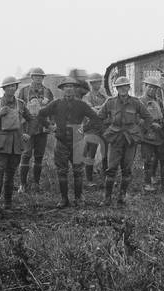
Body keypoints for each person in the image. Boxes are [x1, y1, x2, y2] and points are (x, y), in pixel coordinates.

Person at [37, 77, 102, 208]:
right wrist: (50, 126)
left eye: (72, 87)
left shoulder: (81, 105)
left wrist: (84, 128)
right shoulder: (56, 104)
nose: (69, 89)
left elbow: (96, 118)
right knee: (62, 171)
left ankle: (78, 198)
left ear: (75, 89)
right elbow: (40, 114)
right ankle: (64, 199)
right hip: (61, 142)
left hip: (77, 142)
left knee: (78, 171)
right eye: (66, 87)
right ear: (62, 89)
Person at [99, 75, 152, 205]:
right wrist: (105, 132)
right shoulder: (110, 102)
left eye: (125, 86)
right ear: (116, 89)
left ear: (129, 87)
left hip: (130, 140)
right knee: (111, 169)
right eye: (119, 87)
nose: (122, 89)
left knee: (127, 169)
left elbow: (148, 118)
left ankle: (122, 197)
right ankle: (107, 198)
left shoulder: (136, 102)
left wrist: (141, 132)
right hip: (115, 139)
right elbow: (99, 117)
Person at [0, 76, 32, 215]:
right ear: (3, 88)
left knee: (11, 174)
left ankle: (8, 204)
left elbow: (31, 119)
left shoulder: (21, 104)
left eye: (14, 86)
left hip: (15, 144)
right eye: (9, 86)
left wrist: (28, 133)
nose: (12, 88)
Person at [18, 67, 55, 192]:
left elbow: (53, 109)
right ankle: (23, 184)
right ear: (31, 77)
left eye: (40, 76)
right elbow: (18, 110)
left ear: (43, 78)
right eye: (36, 76)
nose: (38, 78)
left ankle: (36, 183)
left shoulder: (48, 92)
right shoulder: (23, 91)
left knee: (39, 156)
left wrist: (52, 124)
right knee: (26, 154)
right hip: (27, 128)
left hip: (42, 128)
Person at [139, 76, 164, 191]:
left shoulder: (159, 101)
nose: (152, 90)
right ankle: (147, 183)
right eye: (150, 87)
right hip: (147, 134)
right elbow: (137, 119)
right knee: (148, 159)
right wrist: (151, 124)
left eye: (154, 88)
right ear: (145, 87)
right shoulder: (140, 101)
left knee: (163, 158)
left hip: (160, 134)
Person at [82, 73, 108, 186]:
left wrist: (98, 109)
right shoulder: (87, 96)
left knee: (106, 152)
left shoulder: (104, 96)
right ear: (91, 83)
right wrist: (101, 109)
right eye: (95, 82)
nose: (97, 84)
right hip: (91, 128)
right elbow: (92, 112)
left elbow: (109, 109)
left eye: (99, 82)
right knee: (91, 153)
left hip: (103, 127)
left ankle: (106, 177)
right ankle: (89, 180)